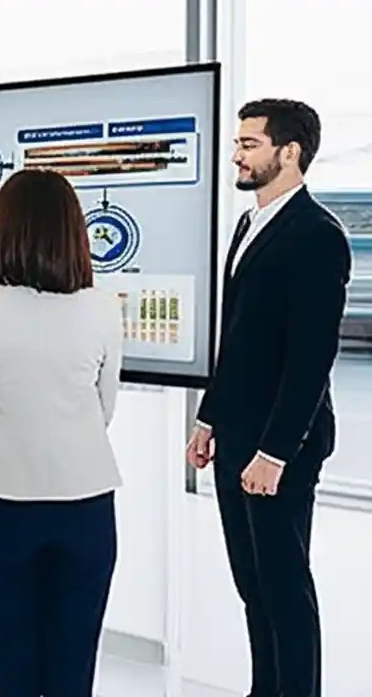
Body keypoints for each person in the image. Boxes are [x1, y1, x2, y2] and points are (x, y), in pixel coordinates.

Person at [187, 99, 349, 697]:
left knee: (284, 589)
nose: (238, 153)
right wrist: (209, 417)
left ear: (290, 152)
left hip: (281, 449)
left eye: (250, 144)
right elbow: (240, 339)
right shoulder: (249, 224)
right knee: (253, 585)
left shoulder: (317, 234)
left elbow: (311, 359)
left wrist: (276, 453)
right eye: (239, 143)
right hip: (237, 438)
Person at [0, 169, 123, 697]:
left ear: (4, 231)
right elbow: (103, 406)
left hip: (2, 502)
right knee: (73, 669)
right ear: (75, 232)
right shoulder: (103, 307)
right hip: (86, 503)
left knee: (9, 662)